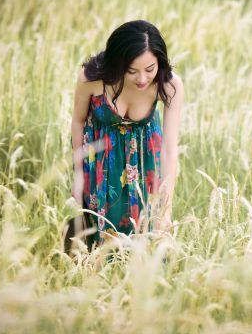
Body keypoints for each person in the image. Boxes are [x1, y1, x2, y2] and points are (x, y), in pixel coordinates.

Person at [69, 20, 183, 248]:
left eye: (150, 69)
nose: (142, 79)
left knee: (145, 238)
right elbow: (78, 121)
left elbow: (170, 150)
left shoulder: (169, 86)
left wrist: (166, 208)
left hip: (145, 165)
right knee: (95, 242)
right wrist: (79, 174)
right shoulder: (92, 79)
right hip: (99, 165)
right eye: (132, 71)